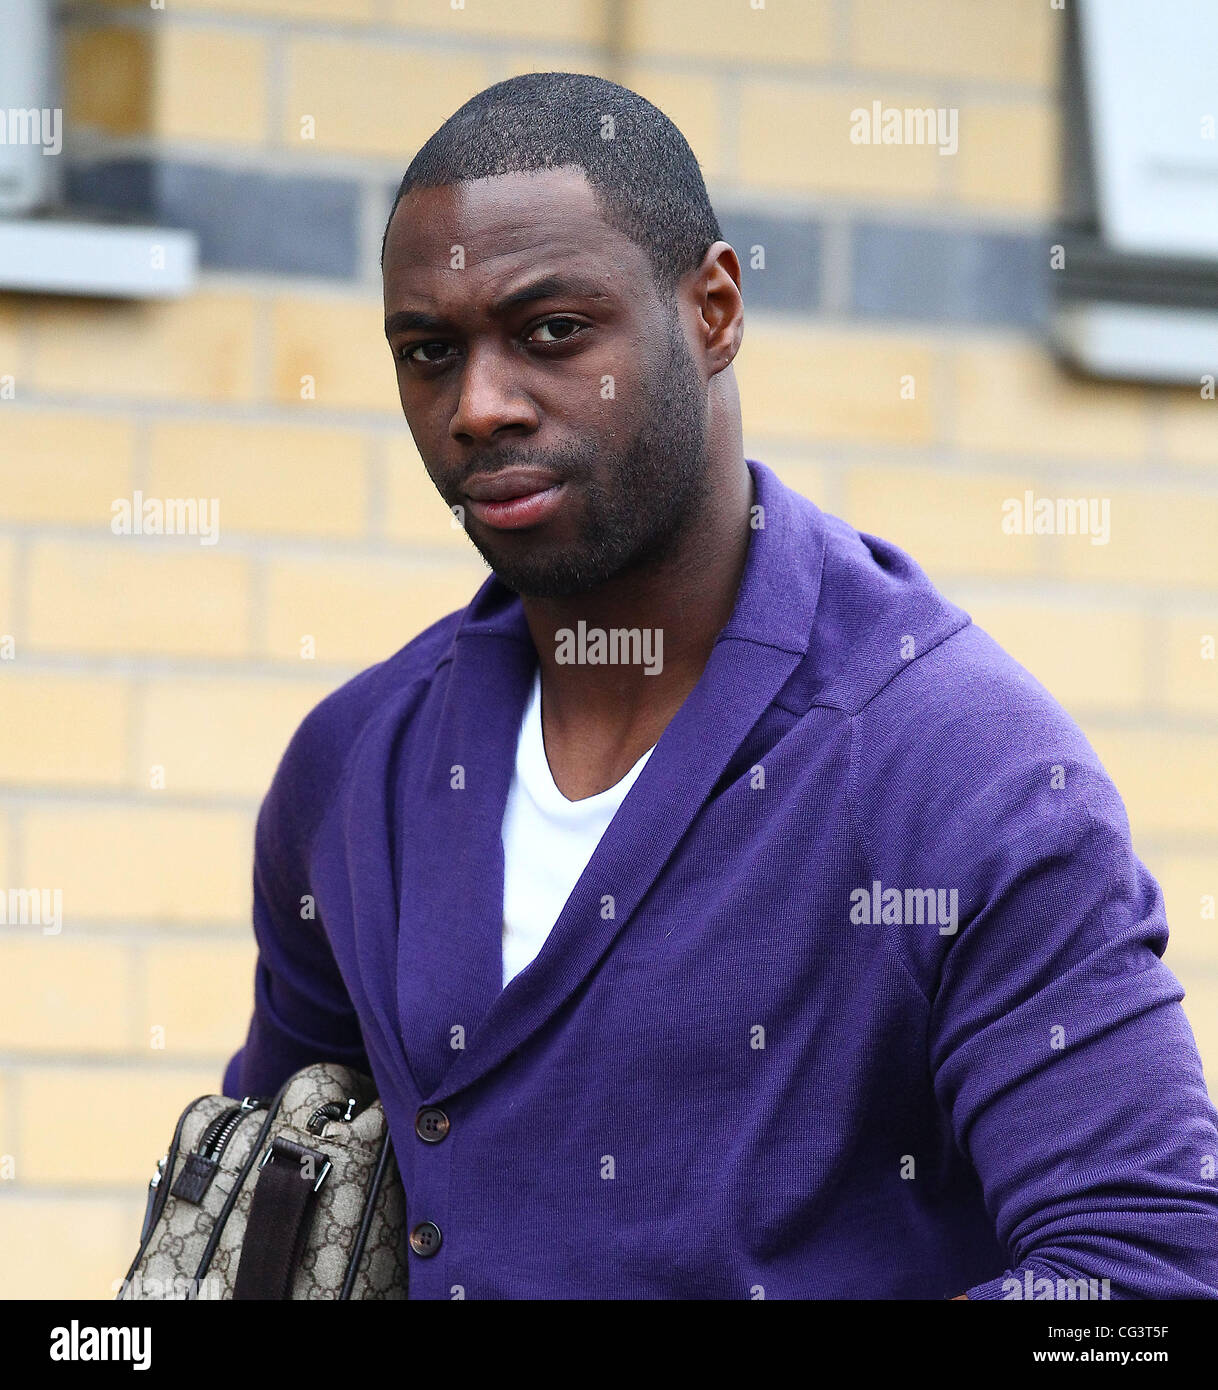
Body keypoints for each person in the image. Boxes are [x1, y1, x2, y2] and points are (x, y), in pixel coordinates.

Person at [224, 72, 1218, 1299]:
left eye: (549, 333)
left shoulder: (961, 770)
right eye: (430, 354)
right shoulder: (355, 768)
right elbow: (275, 1203)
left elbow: (1147, 1272)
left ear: (713, 308)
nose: (476, 407)